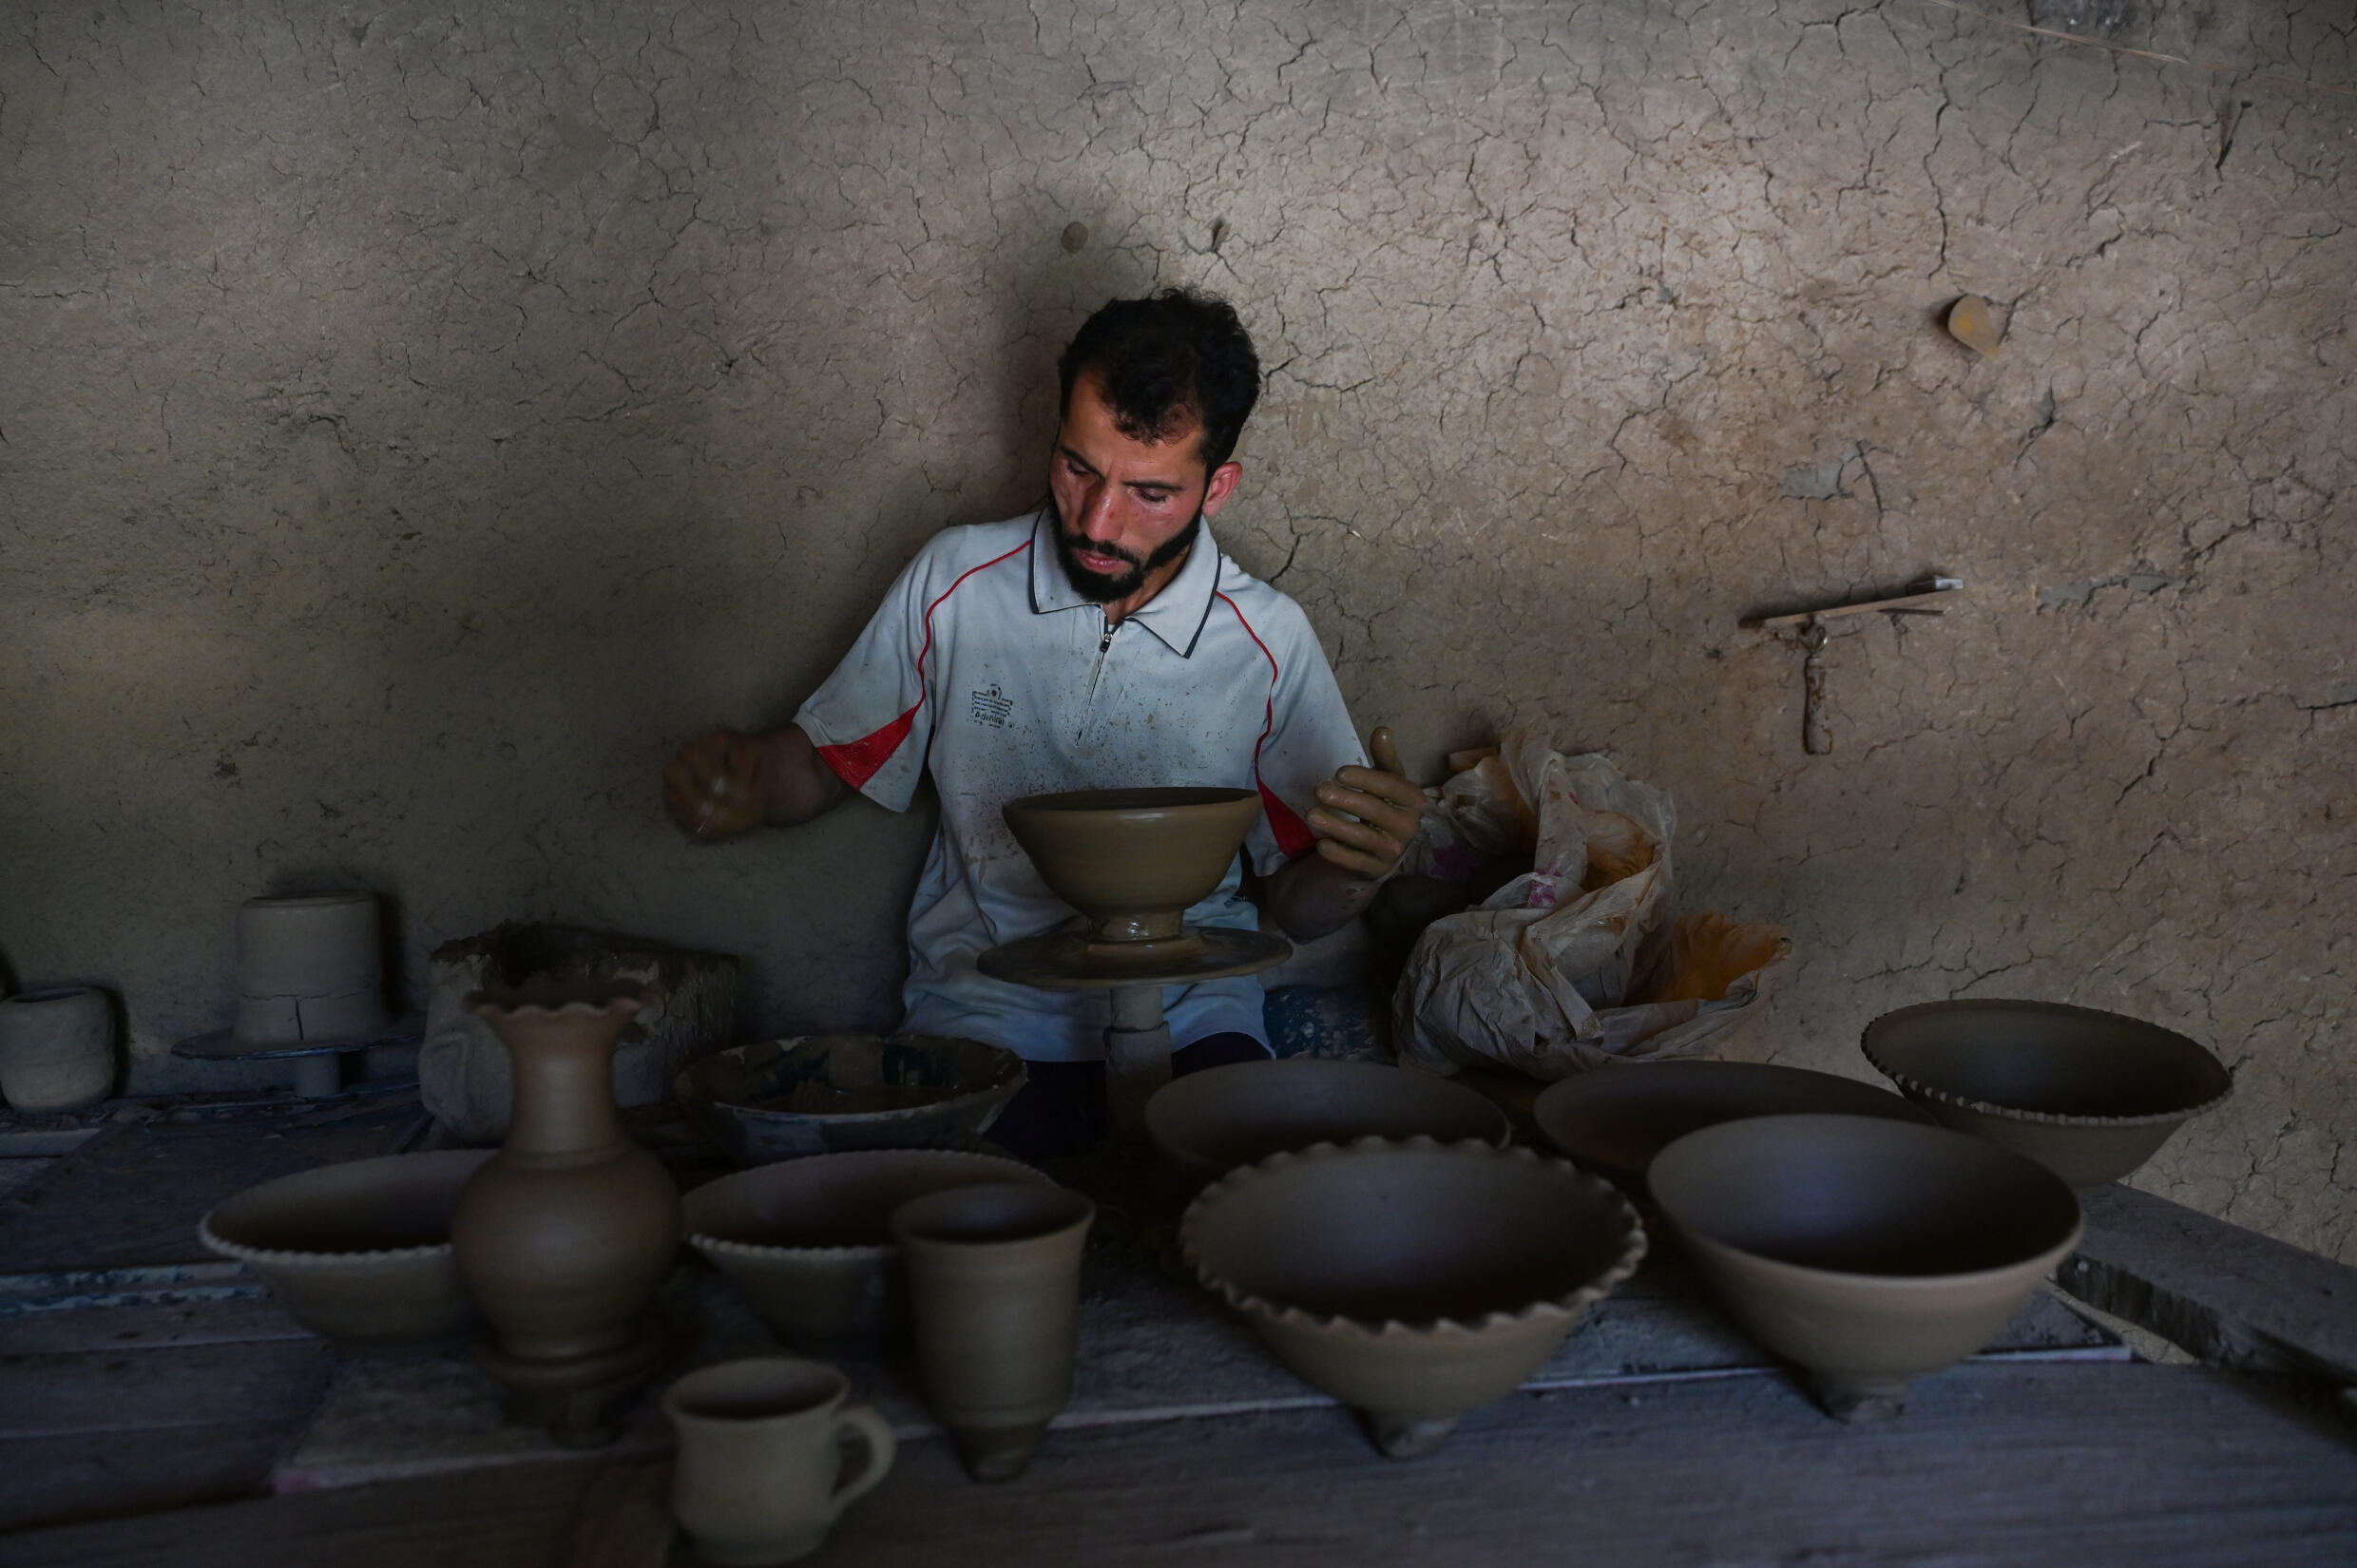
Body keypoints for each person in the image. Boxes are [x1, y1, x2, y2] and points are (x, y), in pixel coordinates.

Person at [661, 289, 1424, 1157]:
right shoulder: (958, 583)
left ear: (1217, 488)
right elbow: (825, 762)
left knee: (1237, 1201)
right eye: (1078, 468)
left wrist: (1360, 871)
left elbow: (1298, 909)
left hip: (1194, 1014)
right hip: (985, 1009)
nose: (1099, 522)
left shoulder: (1267, 641)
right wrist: (751, 779)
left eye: (1150, 492)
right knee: (967, 1218)